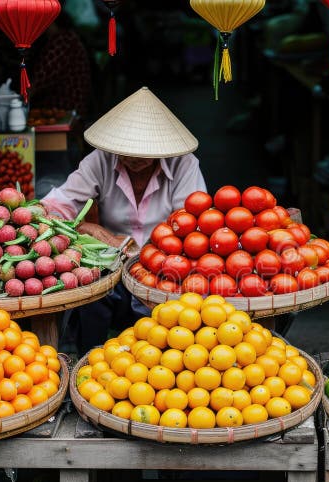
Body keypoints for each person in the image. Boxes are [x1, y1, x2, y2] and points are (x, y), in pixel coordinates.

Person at [41, 87, 206, 354]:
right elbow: (59, 204)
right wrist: (87, 227)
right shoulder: (100, 161)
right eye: (126, 150)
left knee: (166, 332)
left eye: (144, 152)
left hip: (165, 267)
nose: (133, 159)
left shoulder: (184, 166)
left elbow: (193, 228)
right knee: (91, 294)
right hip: (111, 263)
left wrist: (150, 253)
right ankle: (88, 360)